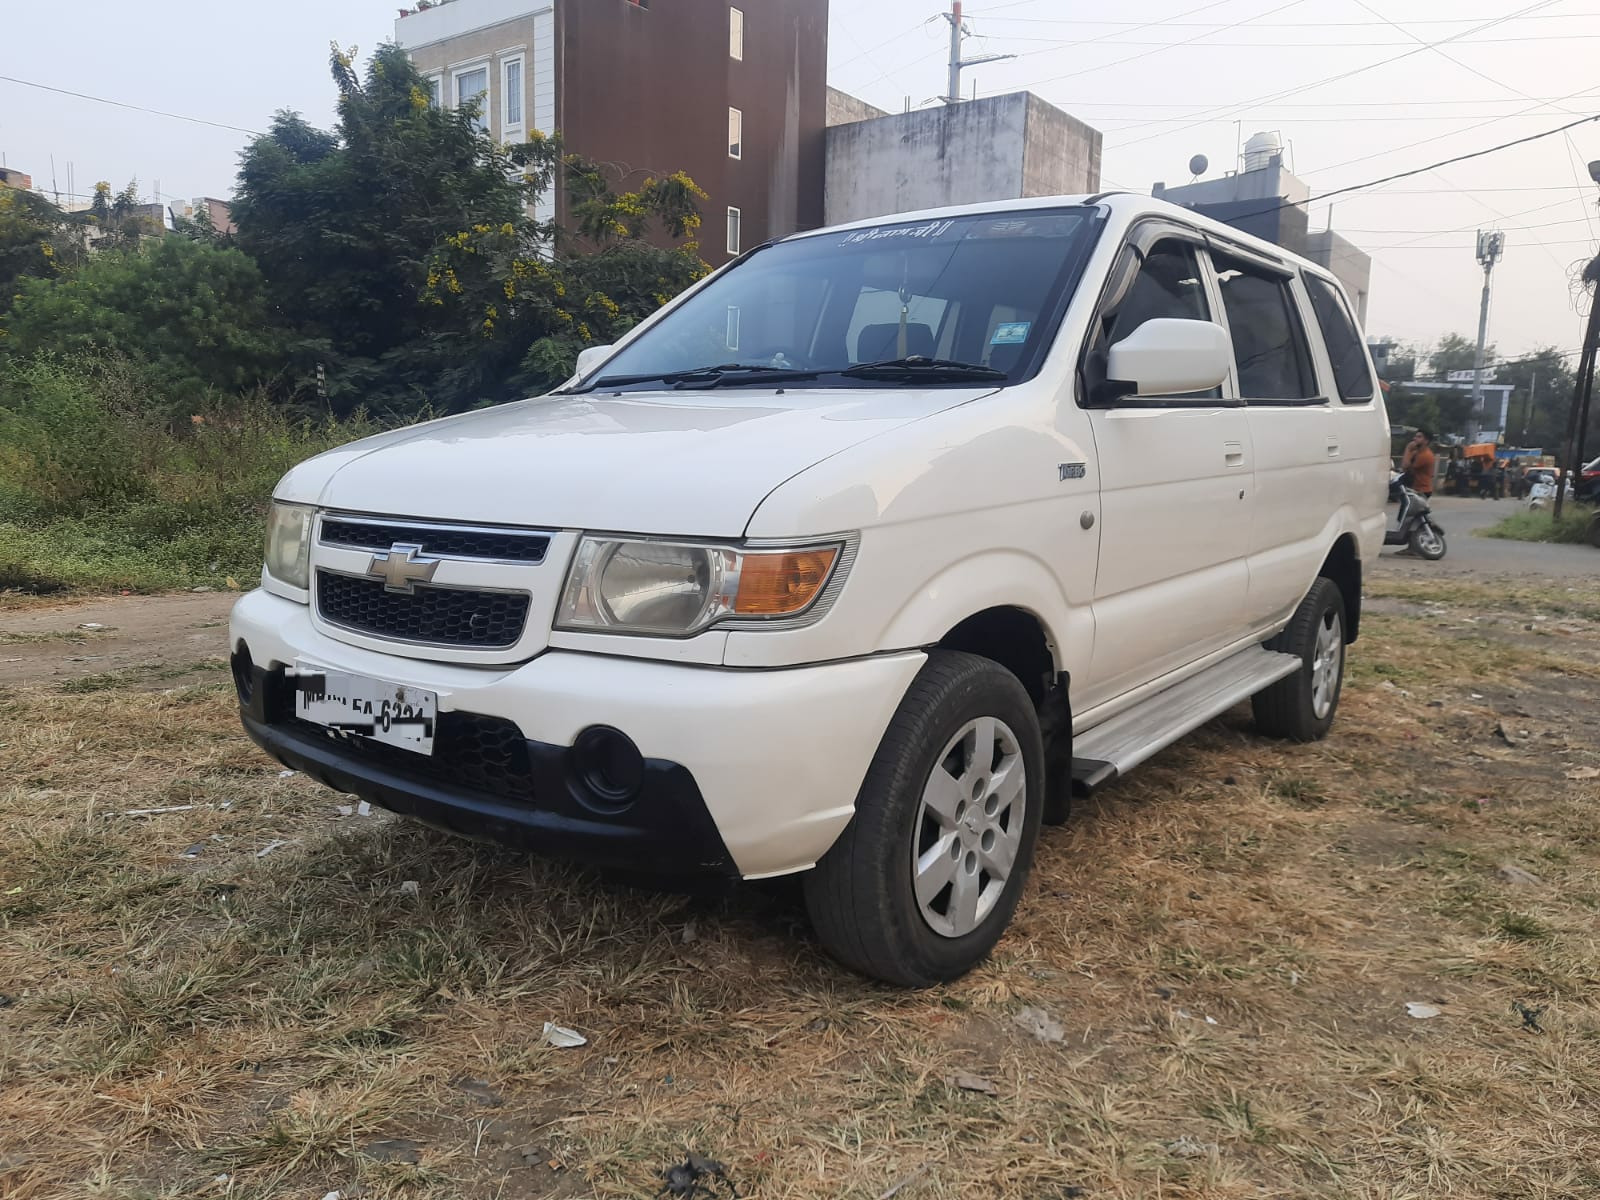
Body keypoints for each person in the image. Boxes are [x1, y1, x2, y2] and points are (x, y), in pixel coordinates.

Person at [1400, 428, 1437, 497]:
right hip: (1415, 488)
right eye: (1415, 436)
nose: (1415, 439)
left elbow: (1405, 466)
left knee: (1410, 507)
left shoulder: (1426, 455)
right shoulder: (1417, 452)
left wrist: (1408, 448)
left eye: (1419, 437)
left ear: (1426, 441)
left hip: (1422, 490)